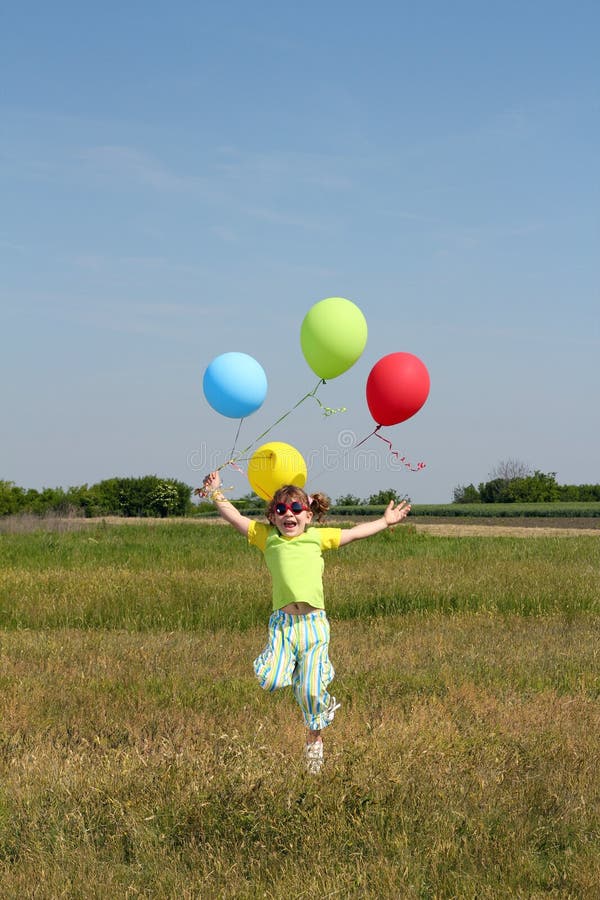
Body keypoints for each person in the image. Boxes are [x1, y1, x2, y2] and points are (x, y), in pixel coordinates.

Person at [200, 471, 411, 774]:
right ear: (272, 517)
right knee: (271, 679)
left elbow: (353, 533)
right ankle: (297, 673)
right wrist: (216, 493)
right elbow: (234, 518)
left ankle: (314, 749)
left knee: (312, 692)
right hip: (283, 626)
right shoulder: (266, 537)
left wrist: (385, 522)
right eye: (281, 509)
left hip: (314, 625)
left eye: (296, 509)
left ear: (309, 515)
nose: (289, 514)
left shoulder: (317, 537)